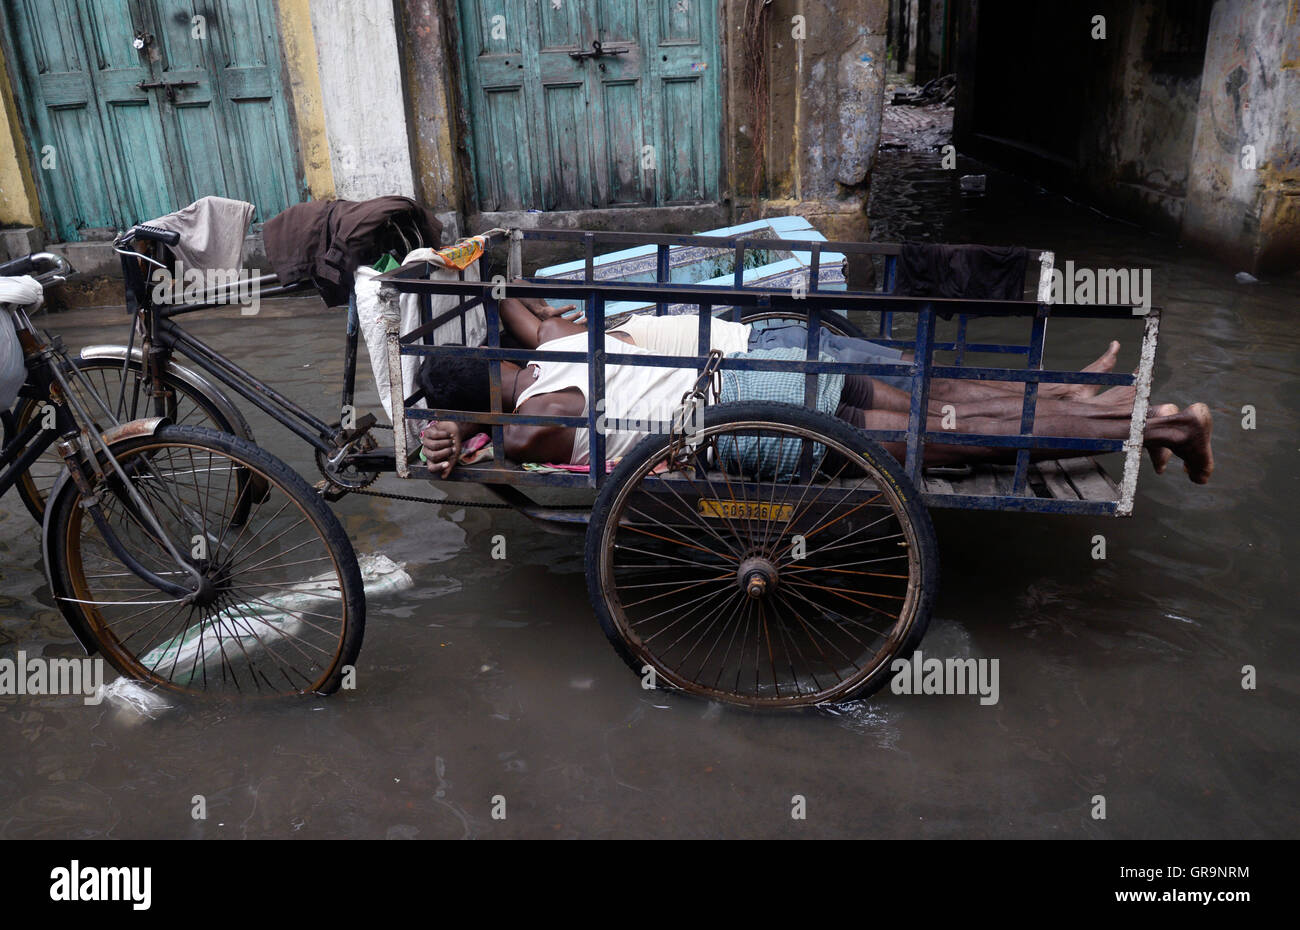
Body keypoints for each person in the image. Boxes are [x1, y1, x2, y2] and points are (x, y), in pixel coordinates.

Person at [417, 300, 1214, 484]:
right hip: (769, 368)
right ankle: (1125, 408)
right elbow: (520, 332)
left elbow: (526, 441)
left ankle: (1160, 429)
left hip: (753, 416)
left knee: (949, 438)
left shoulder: (526, 422)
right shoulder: (558, 342)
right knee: (948, 401)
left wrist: (463, 440)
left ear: (481, 406)